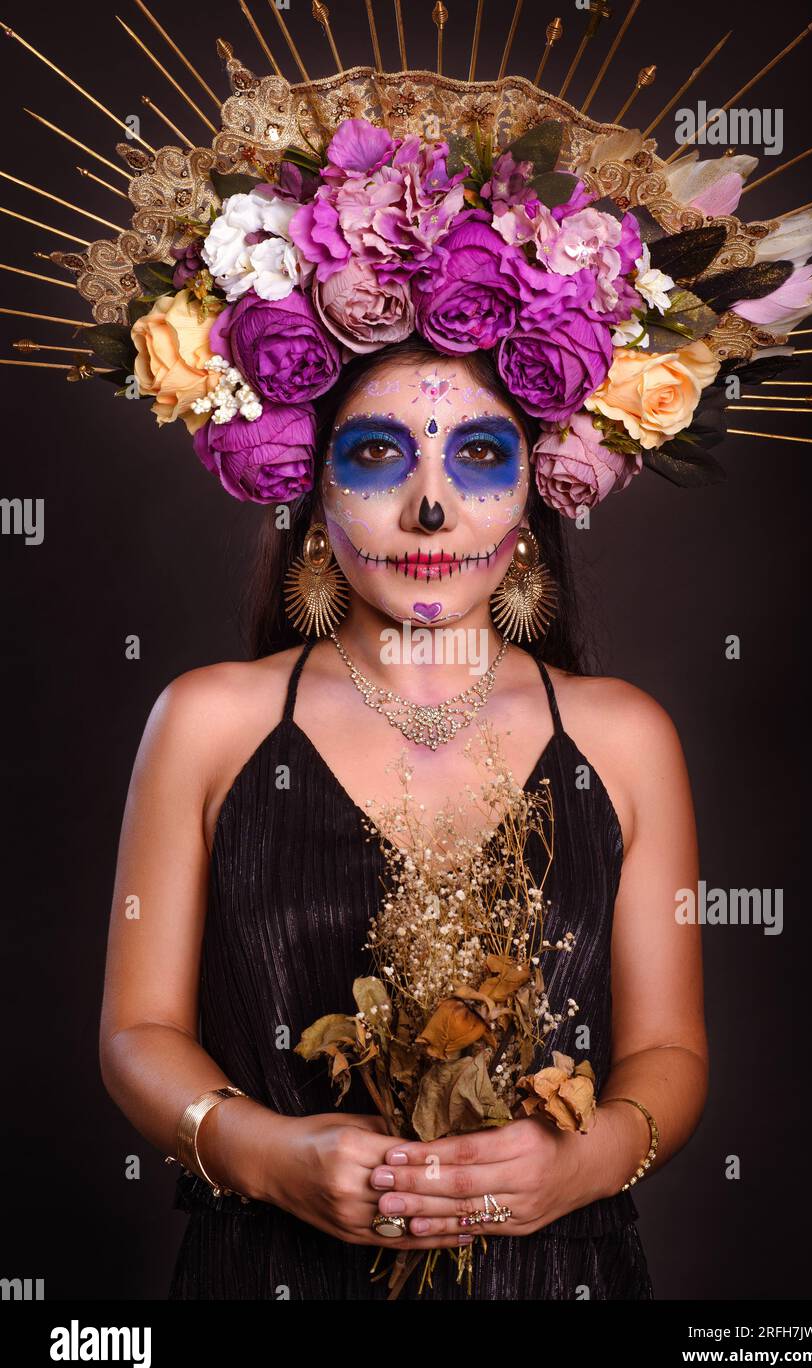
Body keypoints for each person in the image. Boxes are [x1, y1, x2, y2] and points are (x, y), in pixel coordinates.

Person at [99, 337, 708, 1300]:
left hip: (555, 1277)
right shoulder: (208, 722)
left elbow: (669, 1053)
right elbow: (137, 1031)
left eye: (480, 454)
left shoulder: (624, 737)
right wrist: (267, 1157)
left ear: (534, 494)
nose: (430, 508)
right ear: (312, 489)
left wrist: (579, 1164)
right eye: (379, 453)